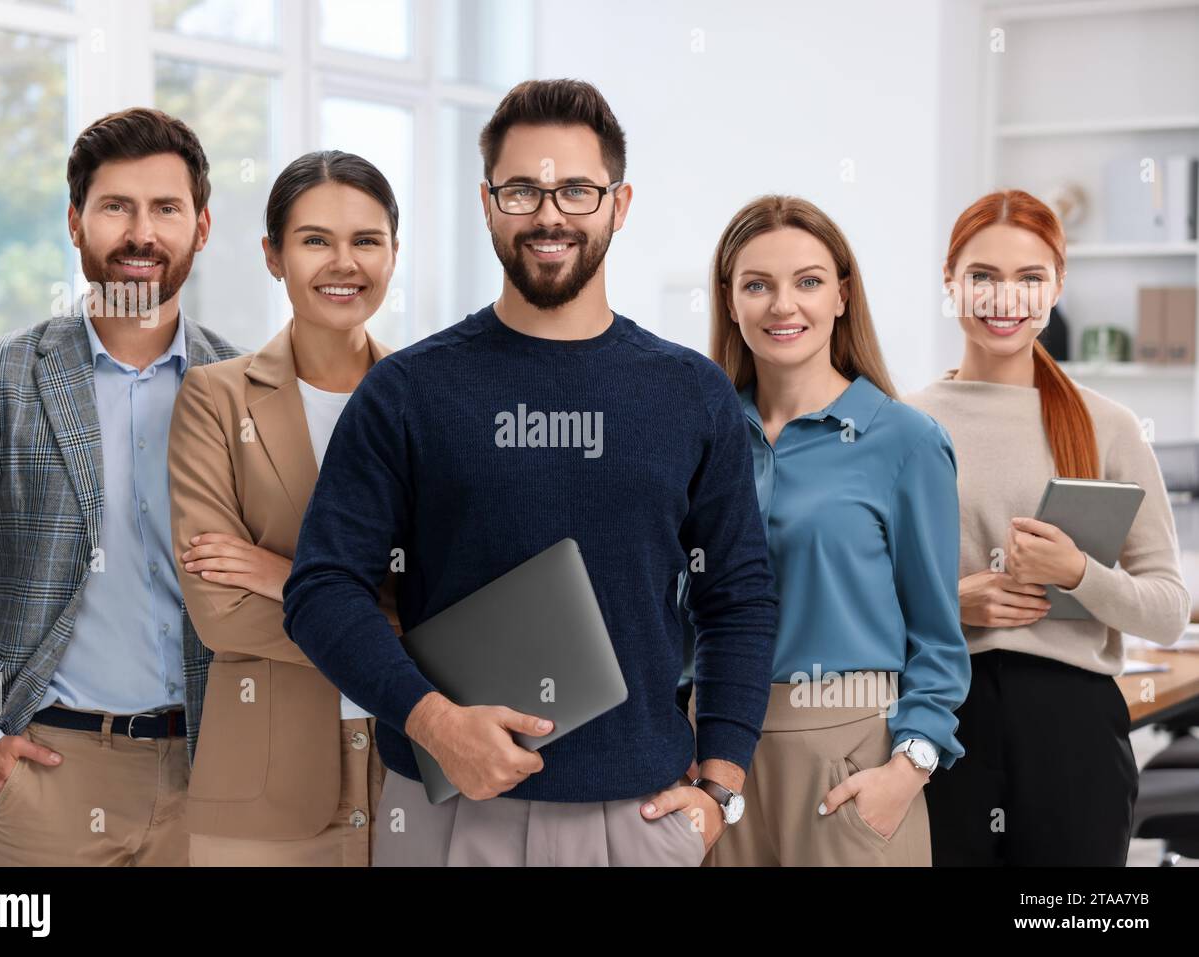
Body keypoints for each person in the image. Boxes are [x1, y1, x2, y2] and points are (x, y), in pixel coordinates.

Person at [283, 78, 779, 867]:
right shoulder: (408, 391)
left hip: (640, 818)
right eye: (523, 190)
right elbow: (320, 589)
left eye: (577, 190)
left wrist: (720, 787)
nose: (550, 214)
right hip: (448, 814)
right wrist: (434, 722)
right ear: (488, 204)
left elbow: (740, 595)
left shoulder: (692, 393)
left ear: (619, 204)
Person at [0, 108, 238, 865]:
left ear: (202, 226)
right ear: (76, 223)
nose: (141, 233)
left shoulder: (245, 386)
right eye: (116, 206)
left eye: (166, 208)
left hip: (210, 775)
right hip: (49, 776)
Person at [903, 189, 1191, 866]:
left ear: (1057, 285)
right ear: (950, 283)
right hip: (943, 719)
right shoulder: (902, 424)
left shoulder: (1108, 425)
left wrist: (1079, 574)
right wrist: (955, 602)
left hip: (1074, 732)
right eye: (984, 276)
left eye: (1030, 278)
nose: (1007, 299)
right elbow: (855, 602)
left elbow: (1168, 612)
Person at [695, 195, 969, 866]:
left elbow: (939, 637)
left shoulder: (904, 441)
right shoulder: (698, 436)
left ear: (842, 296)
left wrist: (906, 771)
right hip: (710, 761)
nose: (782, 305)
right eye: (757, 285)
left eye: (808, 281)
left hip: (848, 760)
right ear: (730, 301)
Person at [170, 150, 399, 866]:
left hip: (415, 778)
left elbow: (458, 604)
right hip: (261, 798)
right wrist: (381, 616)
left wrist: (281, 574)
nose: (344, 263)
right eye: (314, 240)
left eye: (366, 240)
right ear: (274, 255)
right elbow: (219, 611)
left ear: (394, 253)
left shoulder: (430, 400)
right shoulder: (216, 397)